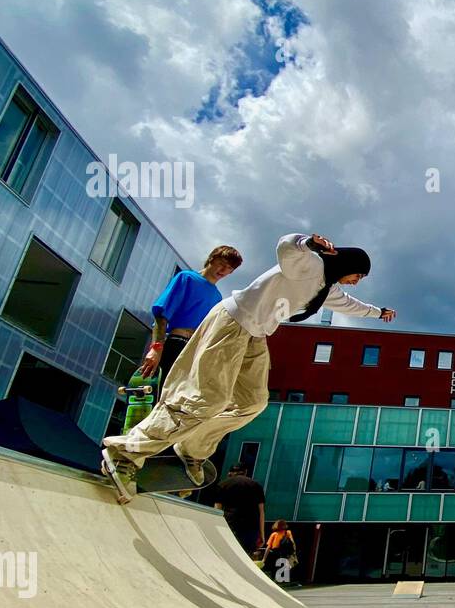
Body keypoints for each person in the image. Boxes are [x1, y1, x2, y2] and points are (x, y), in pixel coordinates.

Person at [101, 233, 396, 501]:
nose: (357, 281)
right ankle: (125, 452)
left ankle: (192, 448)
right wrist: (307, 242)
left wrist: (378, 312)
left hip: (255, 335)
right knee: (207, 397)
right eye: (358, 275)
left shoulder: (326, 288)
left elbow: (351, 305)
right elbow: (285, 246)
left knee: (252, 402)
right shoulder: (309, 265)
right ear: (347, 264)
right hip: (234, 322)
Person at [139, 246, 244, 386]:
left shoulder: (218, 298)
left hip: (195, 351)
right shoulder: (187, 278)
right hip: (175, 342)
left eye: (229, 268)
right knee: (162, 389)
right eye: (221, 264)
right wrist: (156, 348)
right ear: (212, 259)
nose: (223, 271)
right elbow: (161, 314)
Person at [212, 464, 266, 554]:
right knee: (245, 557)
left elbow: (217, 510)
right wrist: (261, 534)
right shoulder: (256, 486)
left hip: (229, 526)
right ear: (245, 472)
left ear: (230, 473)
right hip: (250, 528)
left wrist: (216, 529)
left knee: (227, 555)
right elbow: (261, 512)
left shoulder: (222, 485)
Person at [262, 520, 297, 584]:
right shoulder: (288, 533)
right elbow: (293, 543)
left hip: (276, 554)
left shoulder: (274, 534)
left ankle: (275, 583)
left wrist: (264, 559)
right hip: (285, 554)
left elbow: (268, 547)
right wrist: (294, 554)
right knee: (283, 573)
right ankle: (282, 584)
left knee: (275, 571)